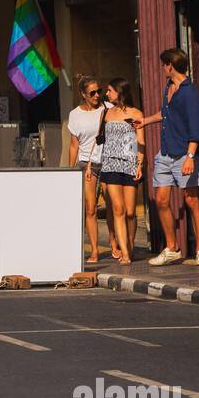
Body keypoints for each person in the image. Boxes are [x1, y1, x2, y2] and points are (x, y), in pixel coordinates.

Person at [134, 48, 199, 266]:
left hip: (185, 154)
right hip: (165, 154)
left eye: (163, 64)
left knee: (191, 200)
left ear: (170, 65)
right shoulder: (169, 87)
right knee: (161, 200)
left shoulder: (190, 92)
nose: (162, 68)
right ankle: (172, 247)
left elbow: (196, 128)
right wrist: (146, 121)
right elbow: (165, 114)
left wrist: (189, 157)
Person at [90, 78, 145, 265]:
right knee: (118, 209)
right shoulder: (105, 113)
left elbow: (141, 143)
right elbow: (99, 139)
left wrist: (140, 165)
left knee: (130, 212)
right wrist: (91, 163)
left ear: (120, 92)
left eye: (110, 90)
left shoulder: (136, 113)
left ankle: (129, 245)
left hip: (129, 164)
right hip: (110, 164)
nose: (106, 94)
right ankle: (125, 254)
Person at [67, 75, 108, 262]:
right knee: (90, 209)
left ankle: (116, 244)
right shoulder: (75, 114)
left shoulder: (108, 109)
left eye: (99, 91)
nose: (97, 95)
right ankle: (94, 250)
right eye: (92, 92)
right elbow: (73, 145)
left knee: (115, 208)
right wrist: (70, 170)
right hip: (86, 165)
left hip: (107, 163)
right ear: (83, 94)